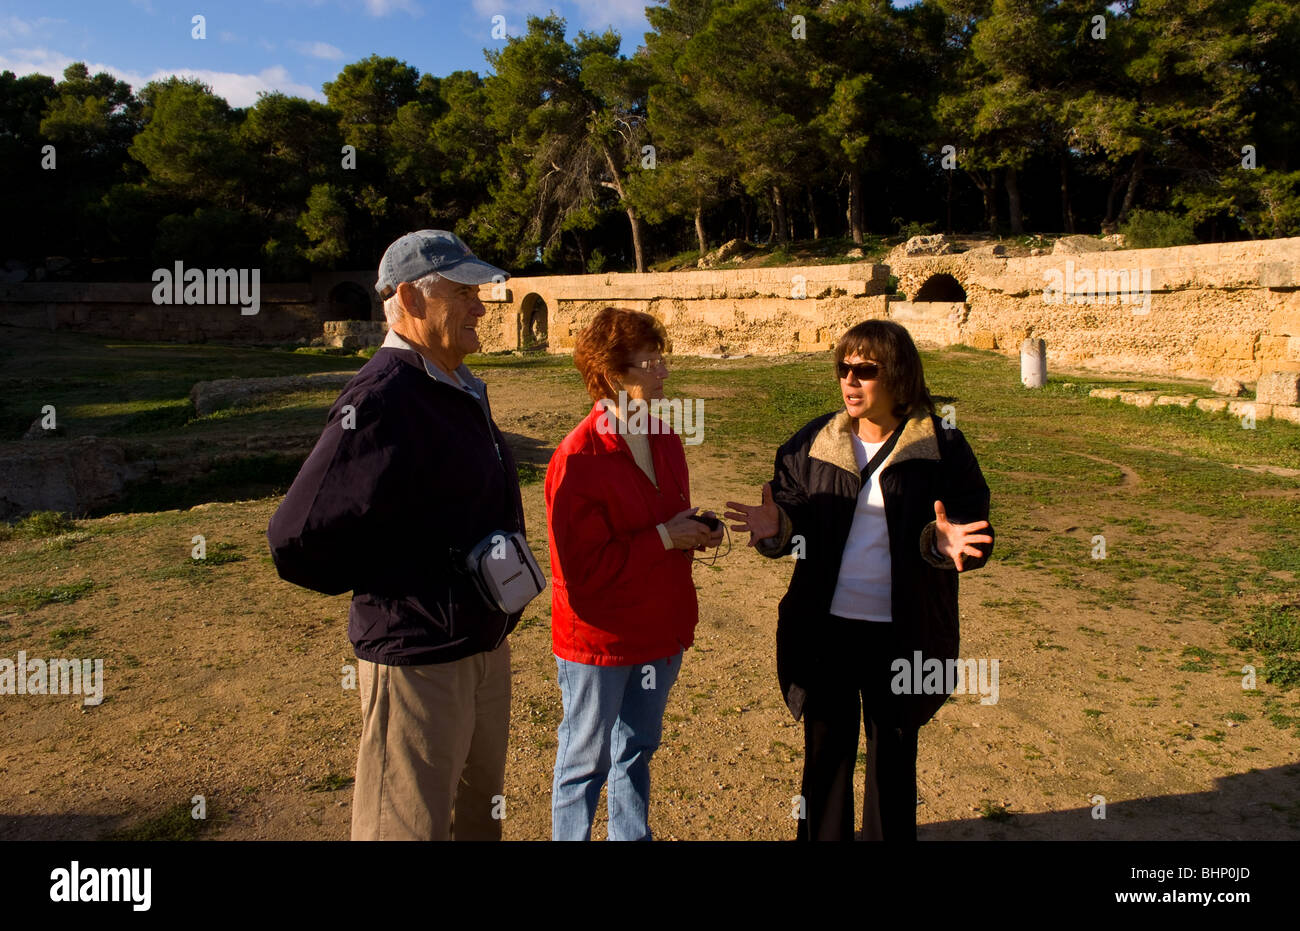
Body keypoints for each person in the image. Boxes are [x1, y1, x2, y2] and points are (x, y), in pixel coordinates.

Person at [267, 229, 524, 841]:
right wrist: (409, 584)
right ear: (410, 298)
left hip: (480, 646)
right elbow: (295, 537)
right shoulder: (383, 398)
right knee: (406, 828)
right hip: (419, 661)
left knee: (475, 820)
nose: (481, 308)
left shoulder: (454, 385)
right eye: (463, 293)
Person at [725, 319, 994, 841]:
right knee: (824, 757)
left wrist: (945, 544)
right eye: (843, 368)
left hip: (904, 631)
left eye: (865, 370)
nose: (850, 380)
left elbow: (971, 527)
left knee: (893, 758)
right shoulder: (811, 444)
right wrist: (779, 528)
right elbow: (793, 513)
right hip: (825, 628)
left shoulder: (943, 447)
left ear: (897, 375)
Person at [544, 307, 723, 840]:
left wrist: (697, 531)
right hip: (599, 636)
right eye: (652, 362)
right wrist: (667, 537)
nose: (665, 372)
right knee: (584, 761)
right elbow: (582, 570)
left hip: (656, 626)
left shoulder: (665, 438)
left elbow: (664, 521)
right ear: (612, 372)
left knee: (638, 749)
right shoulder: (578, 457)